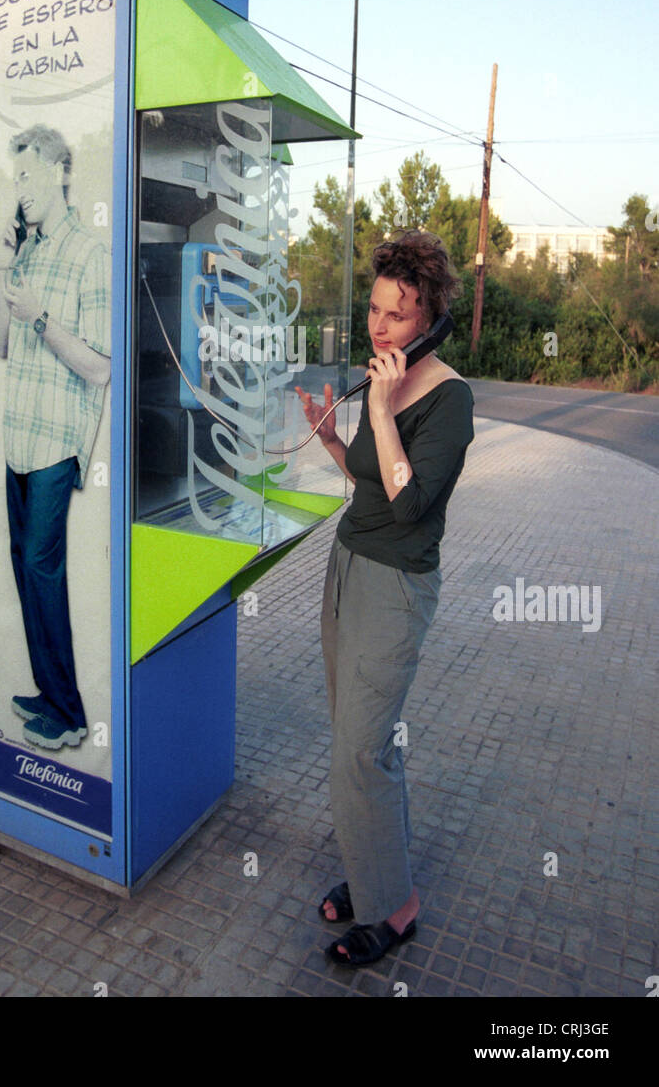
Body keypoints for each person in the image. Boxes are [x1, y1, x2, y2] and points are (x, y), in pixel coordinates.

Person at [295, 229, 474, 967]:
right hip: (348, 566)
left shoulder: (448, 400)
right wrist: (334, 440)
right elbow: (372, 479)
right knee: (357, 743)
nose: (377, 326)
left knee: (359, 754)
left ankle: (394, 909)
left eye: (396, 316)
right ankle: (378, 871)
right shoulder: (383, 383)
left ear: (429, 318)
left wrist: (378, 411)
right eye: (374, 310)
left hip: (396, 586)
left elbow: (409, 503)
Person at [0, 124, 111, 753]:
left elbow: (101, 365)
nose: (22, 190)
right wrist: (10, 269)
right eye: (17, 180)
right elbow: (1, 344)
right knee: (24, 568)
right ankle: (47, 690)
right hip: (17, 438)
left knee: (41, 567)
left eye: (31, 176)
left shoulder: (90, 255)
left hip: (56, 442)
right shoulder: (29, 253)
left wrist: (40, 314)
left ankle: (68, 711)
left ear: (61, 171)